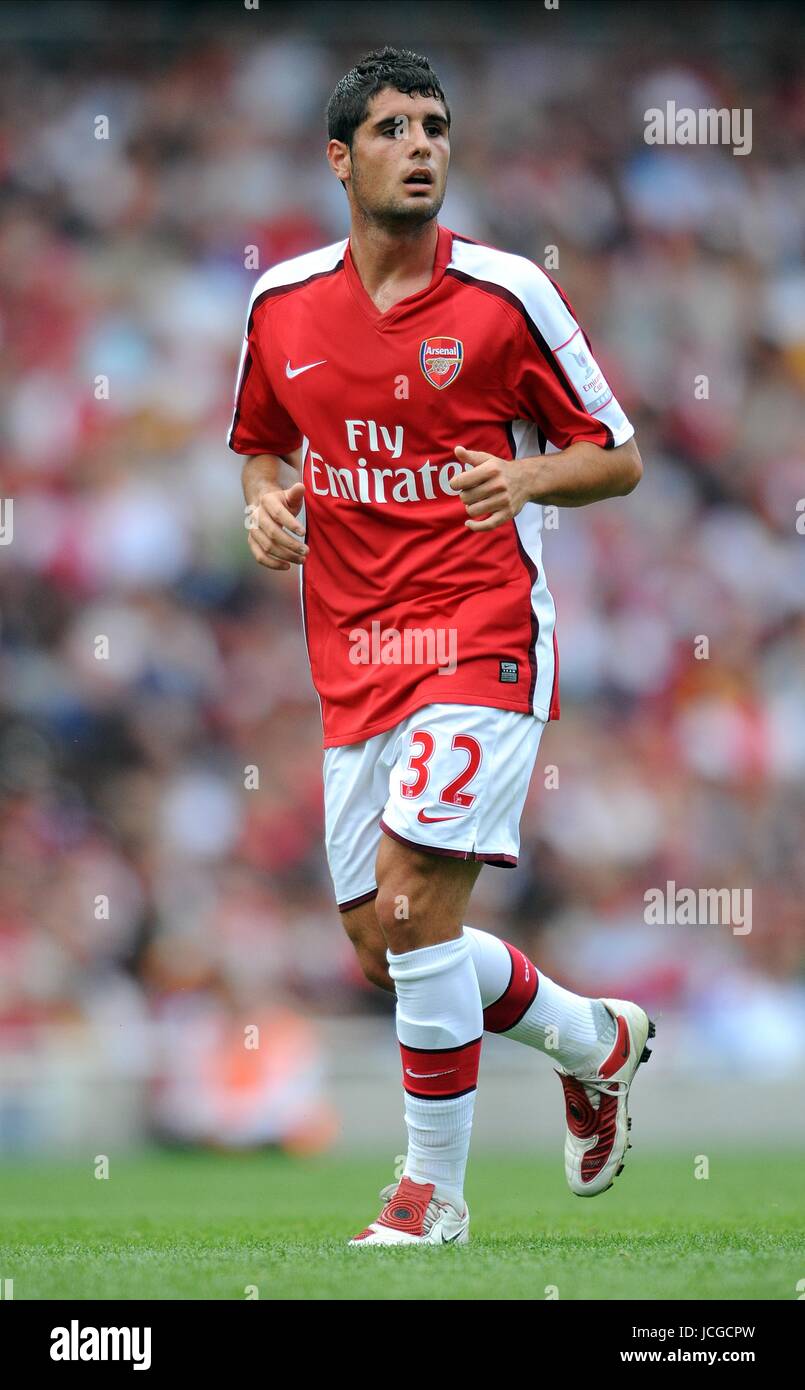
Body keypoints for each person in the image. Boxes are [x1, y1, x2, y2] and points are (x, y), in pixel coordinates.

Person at [229, 46, 654, 1246]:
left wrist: (526, 473)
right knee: (384, 946)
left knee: (415, 907)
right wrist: (264, 503)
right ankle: (593, 1039)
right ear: (339, 156)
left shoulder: (508, 293)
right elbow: (263, 446)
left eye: (435, 126)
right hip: (352, 655)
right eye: (392, 129)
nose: (421, 146)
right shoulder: (280, 306)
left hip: (480, 633)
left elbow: (615, 453)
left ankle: (430, 1199)